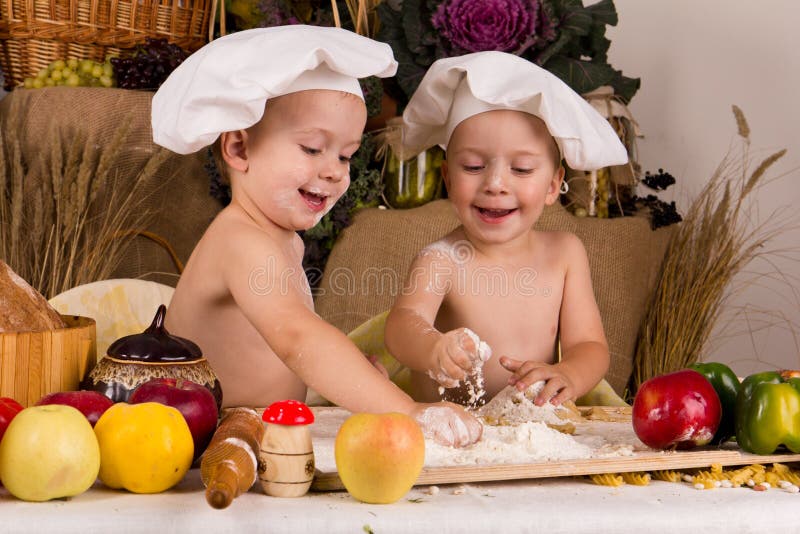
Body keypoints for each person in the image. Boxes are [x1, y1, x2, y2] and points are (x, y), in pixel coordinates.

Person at [151, 26, 481, 447]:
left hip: (261, 435)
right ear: (239, 149)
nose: (334, 171)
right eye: (312, 148)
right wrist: (409, 411)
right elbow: (297, 337)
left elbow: (287, 343)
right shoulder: (240, 240)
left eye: (345, 155)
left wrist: (355, 382)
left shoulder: (283, 239)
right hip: (208, 445)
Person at [385, 51, 629, 408]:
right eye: (473, 166)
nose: (496, 183)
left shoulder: (565, 253)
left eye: (523, 169)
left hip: (530, 432)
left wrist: (569, 375)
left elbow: (588, 346)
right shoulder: (442, 259)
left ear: (552, 185)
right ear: (448, 179)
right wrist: (431, 347)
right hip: (450, 432)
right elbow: (403, 325)